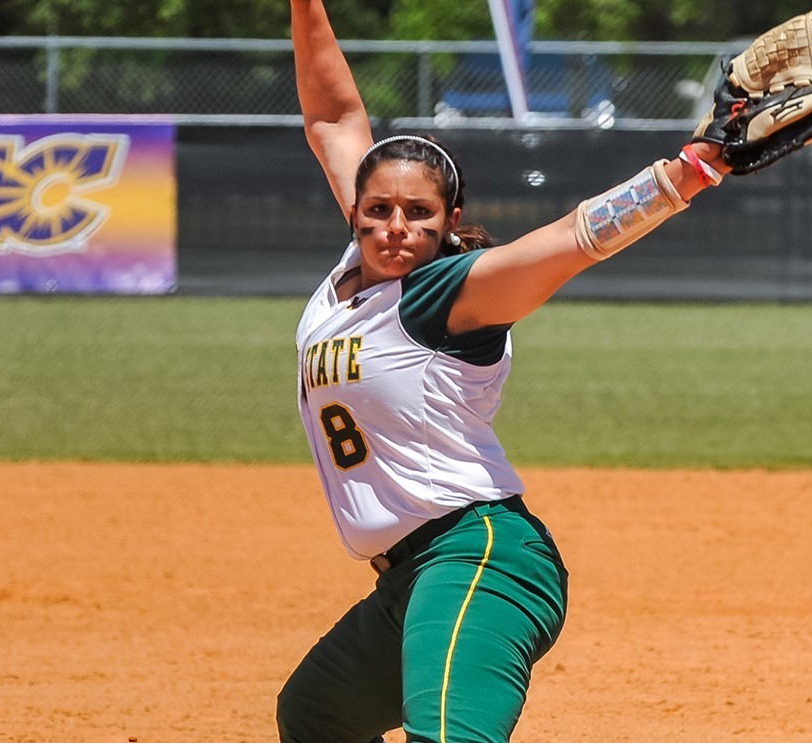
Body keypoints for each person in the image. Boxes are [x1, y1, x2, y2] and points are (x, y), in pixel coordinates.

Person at [277, 2, 738, 742]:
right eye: (379, 208)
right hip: (408, 579)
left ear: (450, 218)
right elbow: (332, 116)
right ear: (357, 212)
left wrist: (690, 171)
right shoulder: (356, 268)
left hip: (480, 560)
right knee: (316, 714)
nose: (397, 224)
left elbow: (576, 237)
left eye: (419, 213)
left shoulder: (451, 292)